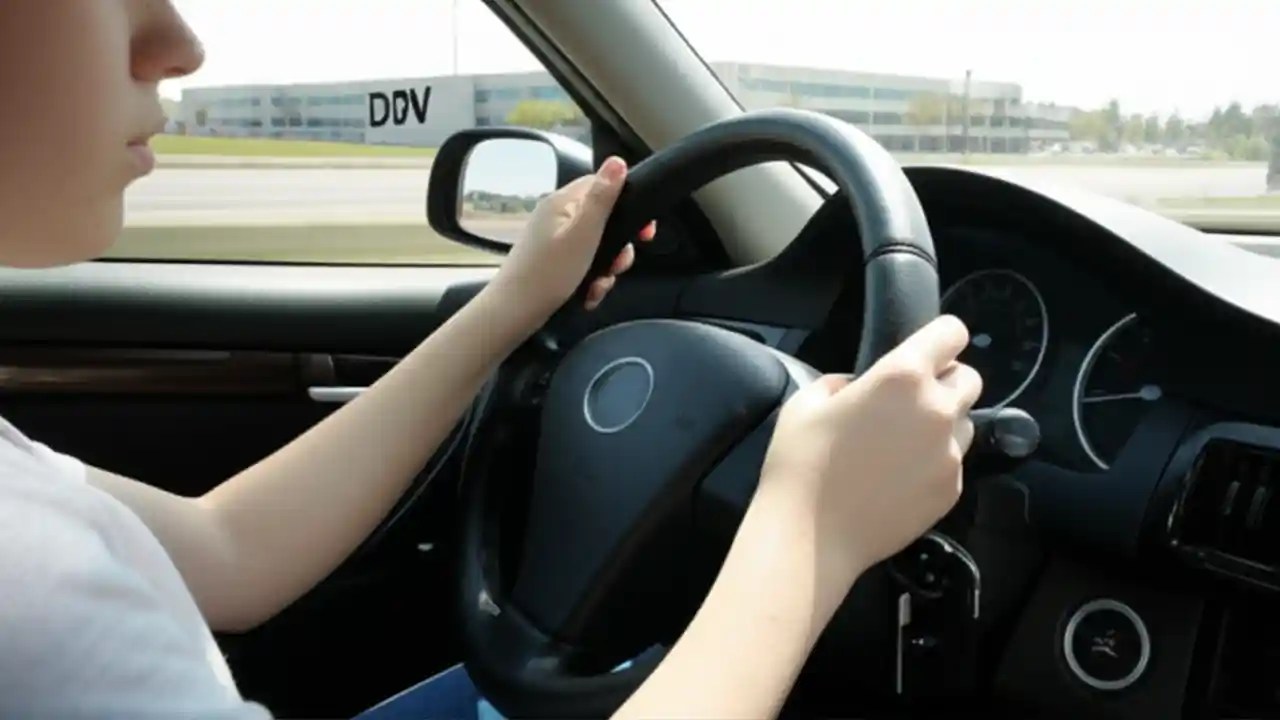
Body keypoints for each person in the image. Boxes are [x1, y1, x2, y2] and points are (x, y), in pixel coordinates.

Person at [0, 2, 982, 719]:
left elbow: (225, 551)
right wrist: (808, 528)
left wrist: (511, 307)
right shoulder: (25, 592)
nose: (176, 41)